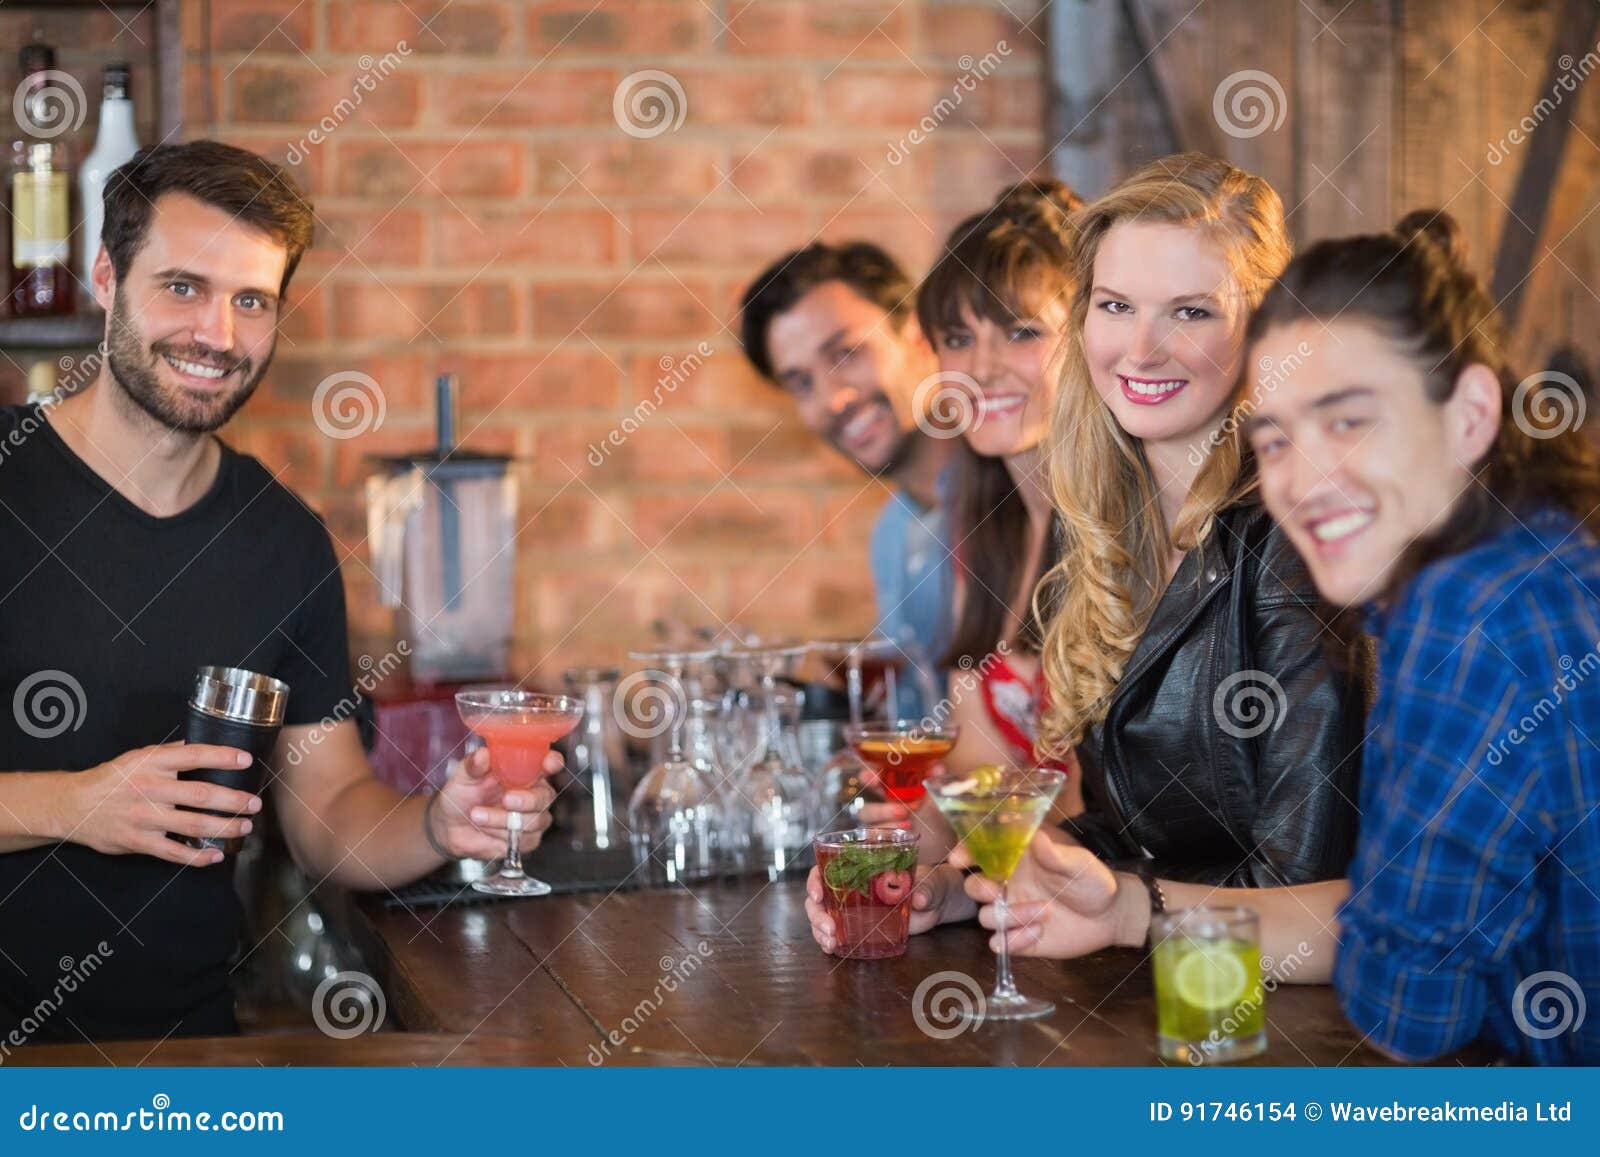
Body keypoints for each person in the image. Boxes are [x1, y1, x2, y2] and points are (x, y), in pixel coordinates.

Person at [980, 209, 1600, 1065]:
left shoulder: (1471, 616)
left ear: (1469, 416)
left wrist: (1360, 919)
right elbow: (1378, 918)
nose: (1305, 480)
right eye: (1275, 438)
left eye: (1349, 422)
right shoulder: (1530, 564)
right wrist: (1124, 905)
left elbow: (1410, 1005)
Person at [0, 142, 558, 1043]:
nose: (218, 334)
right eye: (183, 286)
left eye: (251, 300)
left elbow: (328, 813)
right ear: (106, 278)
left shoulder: (284, 541)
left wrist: (441, 823)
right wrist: (75, 805)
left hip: (189, 1055)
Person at [807, 153, 1366, 953]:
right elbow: (1125, 834)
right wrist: (959, 885)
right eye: (1115, 305)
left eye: (1190, 312)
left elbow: (1308, 885)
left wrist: (1126, 909)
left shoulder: (1295, 538)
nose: (1141, 348)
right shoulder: (1107, 533)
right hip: (1158, 988)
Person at [739, 242, 956, 717]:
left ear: (919, 335)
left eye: (846, 354)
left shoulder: (1022, 500)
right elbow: (915, 719)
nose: (832, 399)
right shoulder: (892, 532)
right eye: (801, 382)